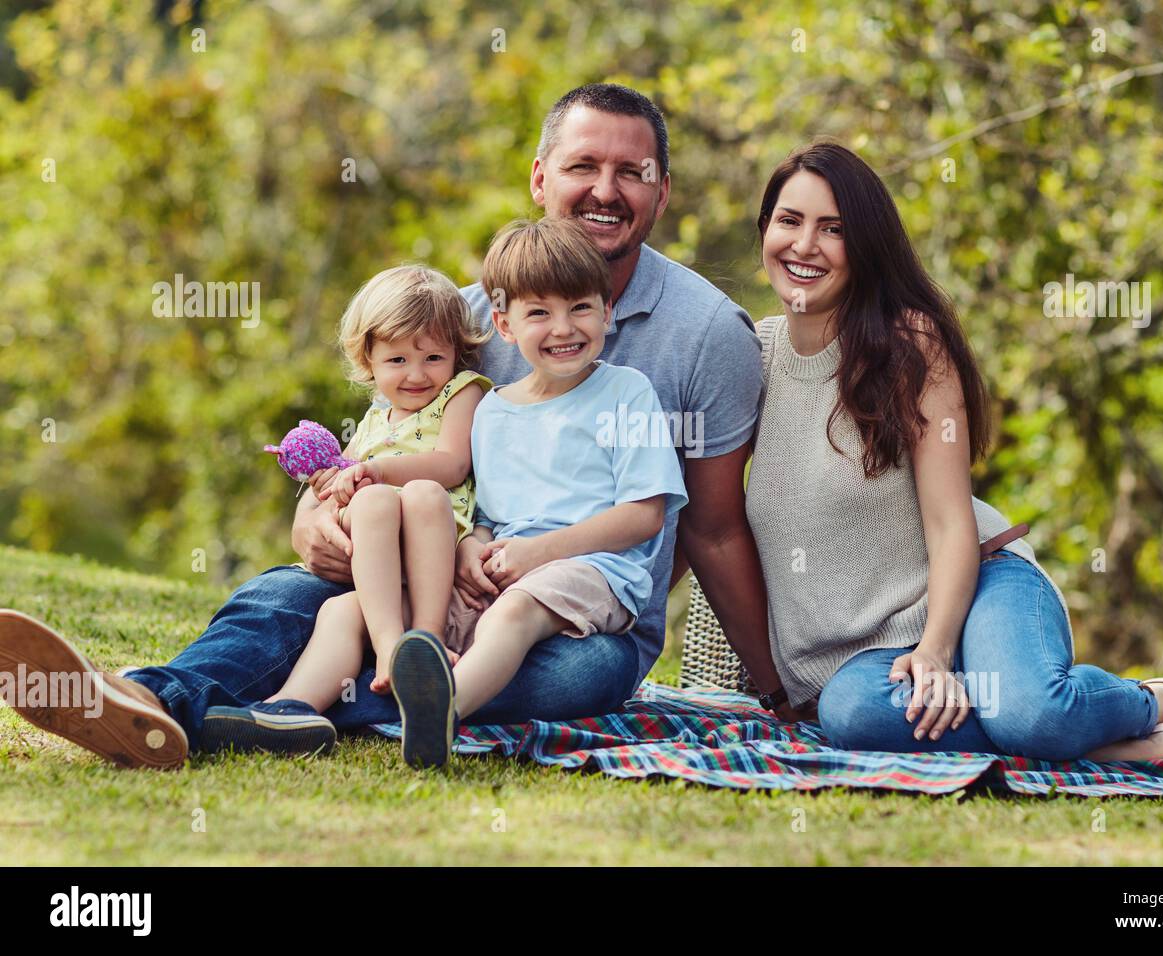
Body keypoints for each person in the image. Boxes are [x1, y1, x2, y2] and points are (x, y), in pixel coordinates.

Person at [0, 82, 786, 770]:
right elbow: (384, 451)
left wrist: (773, 687)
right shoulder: (470, 317)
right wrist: (318, 516)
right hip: (438, 577)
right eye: (584, 166)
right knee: (290, 593)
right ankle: (147, 698)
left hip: (576, 621)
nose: (605, 190)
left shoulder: (704, 334)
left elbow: (709, 528)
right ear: (542, 178)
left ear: (663, 191)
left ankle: (275, 712)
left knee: (563, 678)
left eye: (631, 172)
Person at [740, 141, 1163, 765]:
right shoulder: (750, 358)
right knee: (856, 715)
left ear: (865, 247)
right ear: (764, 231)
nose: (805, 245)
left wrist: (935, 652)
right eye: (789, 221)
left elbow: (951, 524)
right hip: (858, 668)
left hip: (976, 587)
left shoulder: (908, 348)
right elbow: (698, 511)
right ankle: (1101, 741)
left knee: (1031, 712)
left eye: (833, 229)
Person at [389, 216, 687, 768]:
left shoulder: (627, 391)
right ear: (504, 324)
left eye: (579, 307)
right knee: (416, 615)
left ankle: (441, 715)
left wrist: (537, 554)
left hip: (595, 571)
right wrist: (470, 550)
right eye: (539, 313)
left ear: (607, 310)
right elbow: (489, 516)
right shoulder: (492, 410)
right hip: (509, 566)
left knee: (511, 616)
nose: (563, 328)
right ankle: (377, 689)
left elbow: (645, 515)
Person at [199, 265, 491, 757]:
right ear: (369, 360)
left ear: (456, 354)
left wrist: (375, 473)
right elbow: (344, 483)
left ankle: (421, 644)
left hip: (431, 550)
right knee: (339, 606)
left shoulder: (461, 392)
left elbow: (451, 462)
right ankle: (288, 710)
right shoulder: (375, 418)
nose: (417, 374)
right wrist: (329, 486)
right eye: (397, 359)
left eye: (433, 357)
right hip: (379, 561)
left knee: (416, 496)